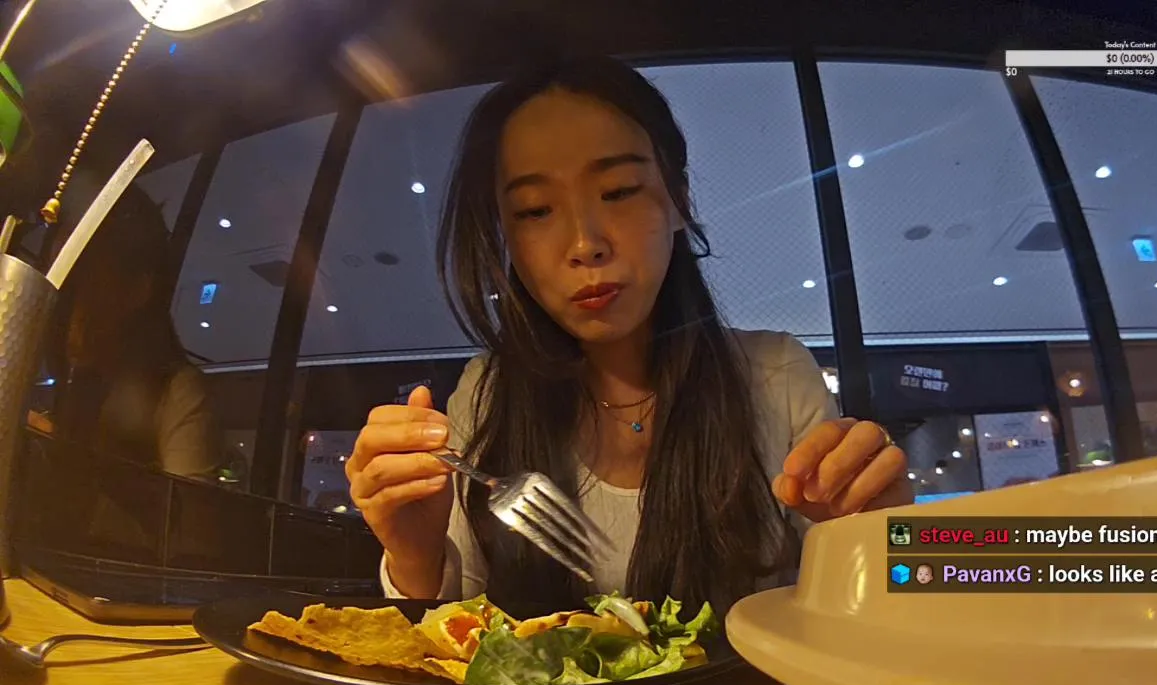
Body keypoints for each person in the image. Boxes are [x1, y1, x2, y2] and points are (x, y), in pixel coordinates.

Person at [345, 56, 913, 613]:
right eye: (535, 210)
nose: (585, 244)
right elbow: (454, 629)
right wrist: (413, 555)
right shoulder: (487, 393)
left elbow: (886, 602)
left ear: (678, 200)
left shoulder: (777, 376)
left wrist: (886, 541)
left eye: (618, 191)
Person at [28, 186, 222, 481]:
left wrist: (61, 453)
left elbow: (185, 510)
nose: (61, 302)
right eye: (57, 281)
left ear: (137, 290)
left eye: (83, 278)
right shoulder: (80, 380)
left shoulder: (178, 394)